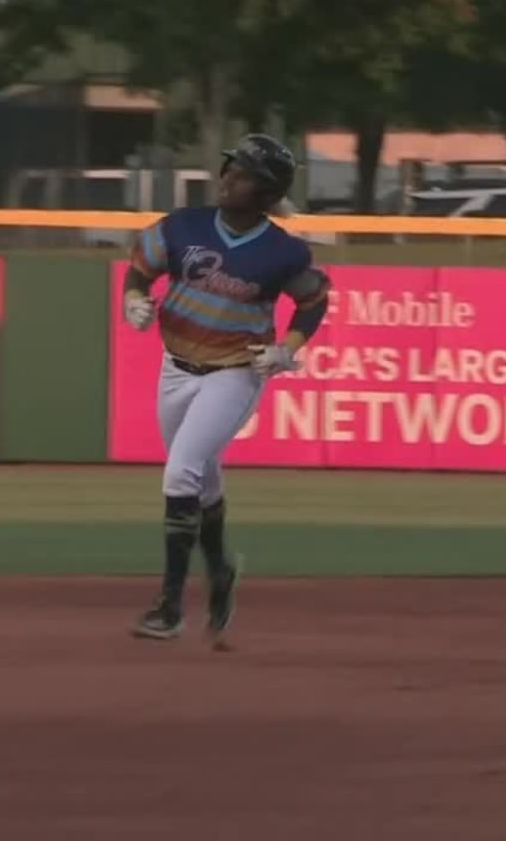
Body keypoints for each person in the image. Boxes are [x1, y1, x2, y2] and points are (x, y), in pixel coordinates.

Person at [121, 133, 333, 647]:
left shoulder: (283, 250)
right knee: (202, 477)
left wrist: (289, 346)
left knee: (181, 472)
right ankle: (218, 570)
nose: (226, 179)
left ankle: (170, 606)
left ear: (263, 192)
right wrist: (133, 297)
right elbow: (142, 266)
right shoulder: (183, 225)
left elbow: (314, 300)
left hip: (236, 372)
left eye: (240, 175)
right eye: (229, 170)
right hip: (176, 368)